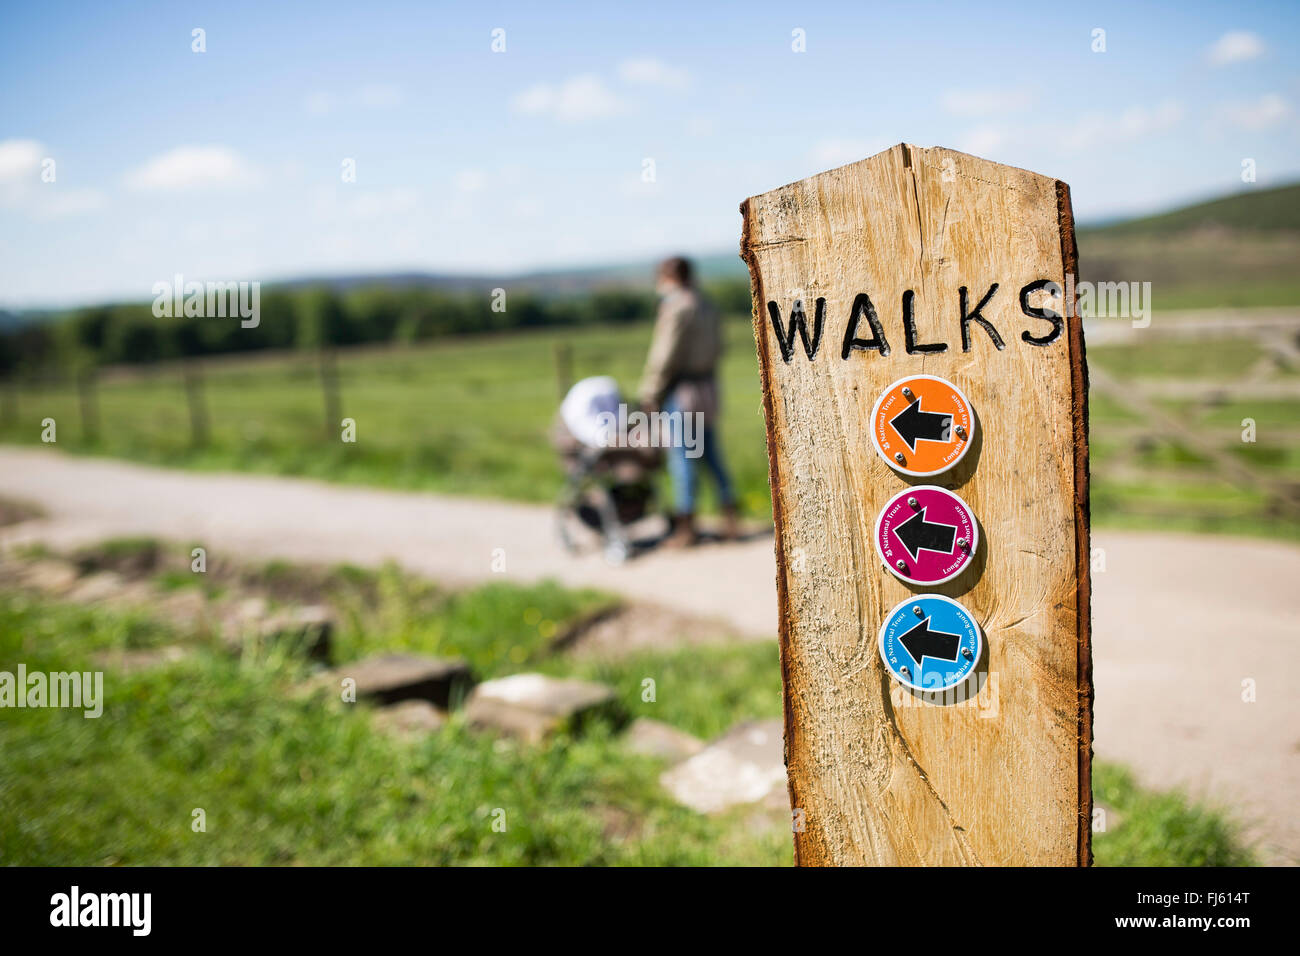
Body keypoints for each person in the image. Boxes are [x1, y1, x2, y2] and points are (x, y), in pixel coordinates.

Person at [638, 256, 739, 547]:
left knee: (682, 458)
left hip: (682, 392)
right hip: (707, 387)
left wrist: (650, 393)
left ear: (668, 276)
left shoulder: (676, 307)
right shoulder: (707, 303)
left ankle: (686, 528)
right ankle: (731, 516)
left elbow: (663, 355)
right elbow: (720, 346)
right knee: (711, 454)